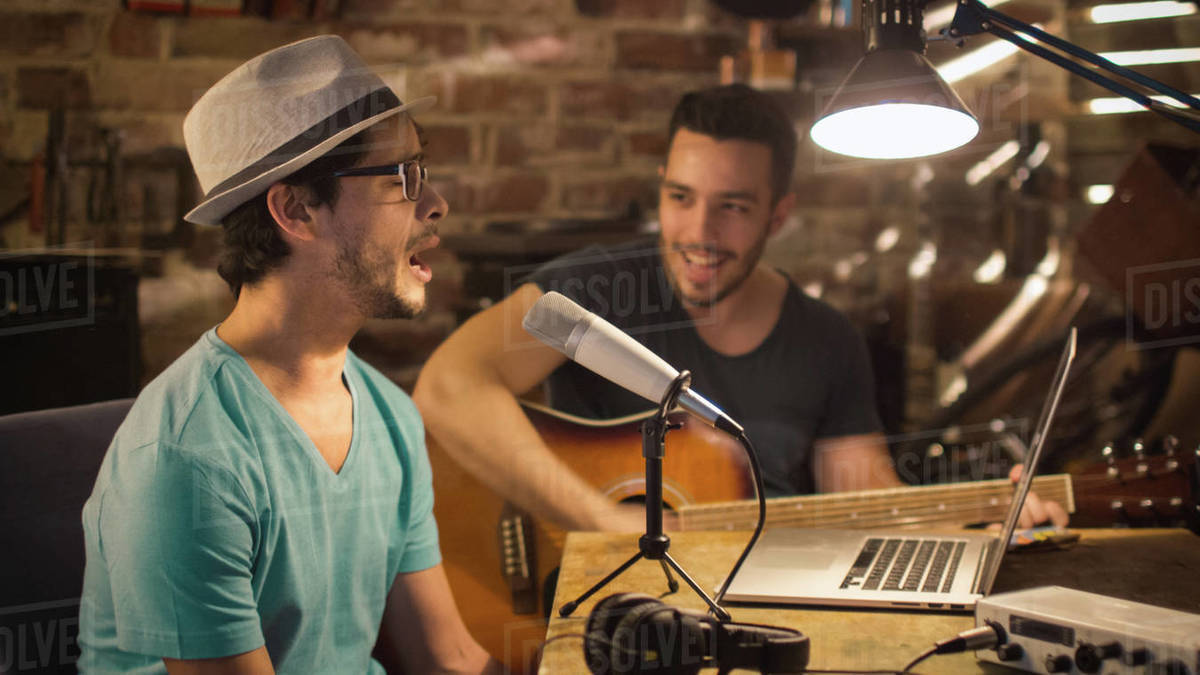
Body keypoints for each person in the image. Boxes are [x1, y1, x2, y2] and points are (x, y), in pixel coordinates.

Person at [414, 84, 1068, 532]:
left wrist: (977, 511)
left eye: (732, 206)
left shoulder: (825, 339)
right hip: (599, 604)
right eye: (680, 196)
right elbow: (447, 387)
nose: (698, 231)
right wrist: (604, 521)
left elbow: (865, 500)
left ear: (778, 215)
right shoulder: (597, 289)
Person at [78, 36, 500, 674]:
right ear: (297, 210)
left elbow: (448, 657)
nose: (436, 202)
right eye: (403, 177)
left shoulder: (390, 414)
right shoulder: (187, 461)